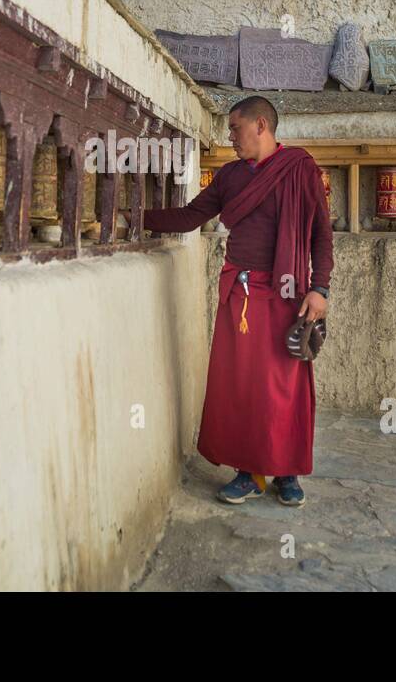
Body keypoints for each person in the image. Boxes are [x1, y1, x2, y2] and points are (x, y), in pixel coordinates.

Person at [144, 95, 332, 507]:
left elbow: (321, 232)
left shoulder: (300, 169)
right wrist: (137, 217)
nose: (230, 137)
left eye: (235, 128)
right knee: (242, 384)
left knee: (283, 385)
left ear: (260, 126)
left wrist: (321, 288)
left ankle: (286, 473)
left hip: (288, 292)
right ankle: (247, 473)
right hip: (241, 294)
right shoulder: (230, 177)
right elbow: (191, 216)